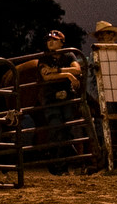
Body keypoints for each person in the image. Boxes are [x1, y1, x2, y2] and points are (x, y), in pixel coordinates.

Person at [36, 28, 90, 172]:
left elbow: (77, 69)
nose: (50, 43)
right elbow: (46, 76)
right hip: (51, 97)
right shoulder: (44, 58)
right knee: (56, 125)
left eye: (54, 40)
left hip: (67, 96)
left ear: (61, 43)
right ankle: (63, 161)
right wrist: (68, 75)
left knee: (67, 127)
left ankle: (62, 162)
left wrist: (57, 71)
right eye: (48, 40)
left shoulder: (68, 54)